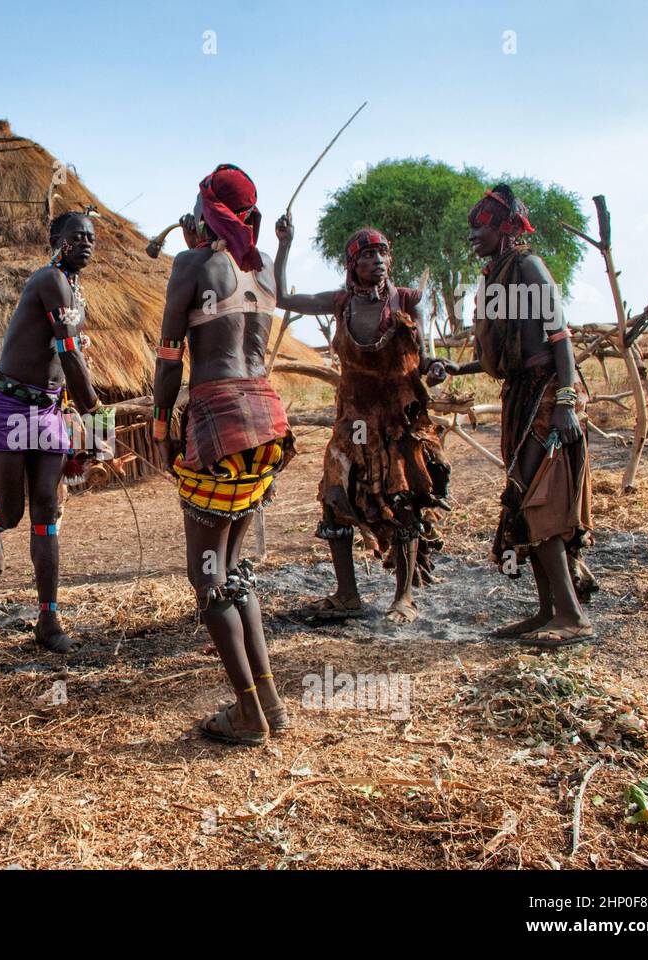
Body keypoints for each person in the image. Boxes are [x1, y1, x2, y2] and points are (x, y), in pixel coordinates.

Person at [153, 164, 294, 745]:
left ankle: (247, 714)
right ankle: (270, 703)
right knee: (233, 571)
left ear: (207, 210)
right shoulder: (262, 276)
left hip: (218, 427)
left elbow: (169, 356)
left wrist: (161, 424)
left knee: (207, 579)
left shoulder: (192, 265)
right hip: (268, 430)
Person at [431, 184, 595, 647]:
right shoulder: (497, 275)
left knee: (539, 499)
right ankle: (547, 611)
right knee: (524, 499)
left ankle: (572, 614)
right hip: (520, 396)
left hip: (545, 395)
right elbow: (501, 353)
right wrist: (455, 367)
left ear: (503, 228)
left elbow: (559, 337)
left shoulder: (528, 267)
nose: (471, 237)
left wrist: (565, 401)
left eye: (479, 228)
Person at [273, 221, 451, 623]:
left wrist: (435, 368)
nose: (379, 261)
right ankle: (347, 595)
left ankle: (403, 597)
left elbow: (425, 359)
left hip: (398, 422)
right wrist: (285, 245)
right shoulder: (340, 303)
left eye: (383, 253)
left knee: (403, 502)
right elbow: (283, 297)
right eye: (368, 255)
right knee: (336, 502)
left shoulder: (407, 300)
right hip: (353, 421)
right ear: (352, 264)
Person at [0, 212, 111, 653]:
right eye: (77, 237)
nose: (86, 243)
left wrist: (88, 420)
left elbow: (65, 352)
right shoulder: (50, 280)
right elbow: (70, 356)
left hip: (48, 409)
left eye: (91, 237)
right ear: (56, 240)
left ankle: (48, 619)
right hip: (10, 404)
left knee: (47, 514)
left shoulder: (76, 292)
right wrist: (97, 418)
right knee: (13, 511)